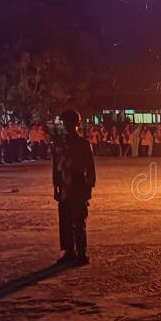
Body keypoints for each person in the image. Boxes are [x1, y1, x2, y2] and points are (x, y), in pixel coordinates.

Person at [53, 110, 96, 267]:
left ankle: (82, 252)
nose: (67, 126)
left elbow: (90, 168)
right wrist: (55, 186)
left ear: (77, 124)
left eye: (70, 122)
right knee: (65, 220)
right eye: (65, 123)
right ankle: (69, 252)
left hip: (78, 183)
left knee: (78, 220)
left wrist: (89, 188)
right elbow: (55, 167)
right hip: (64, 183)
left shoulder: (84, 144)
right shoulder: (59, 144)